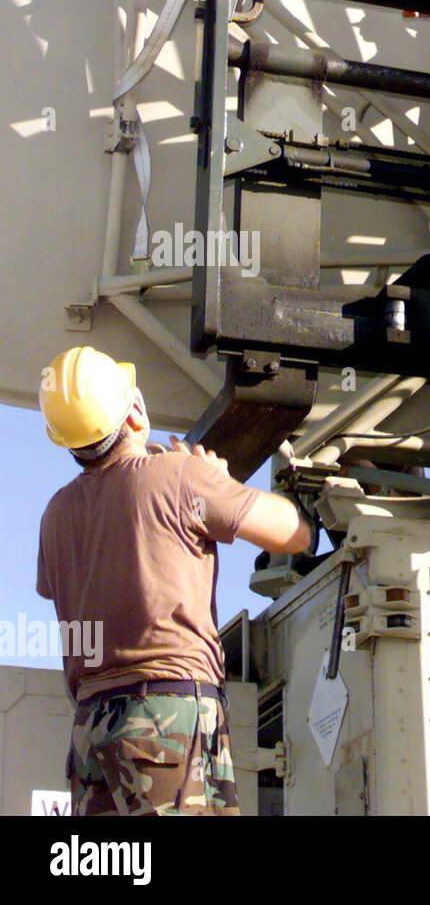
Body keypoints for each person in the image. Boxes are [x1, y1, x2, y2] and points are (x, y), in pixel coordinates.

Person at [36, 346, 312, 814]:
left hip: (91, 730)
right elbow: (294, 533)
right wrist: (217, 480)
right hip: (167, 717)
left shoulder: (55, 514)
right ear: (136, 410)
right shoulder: (177, 476)